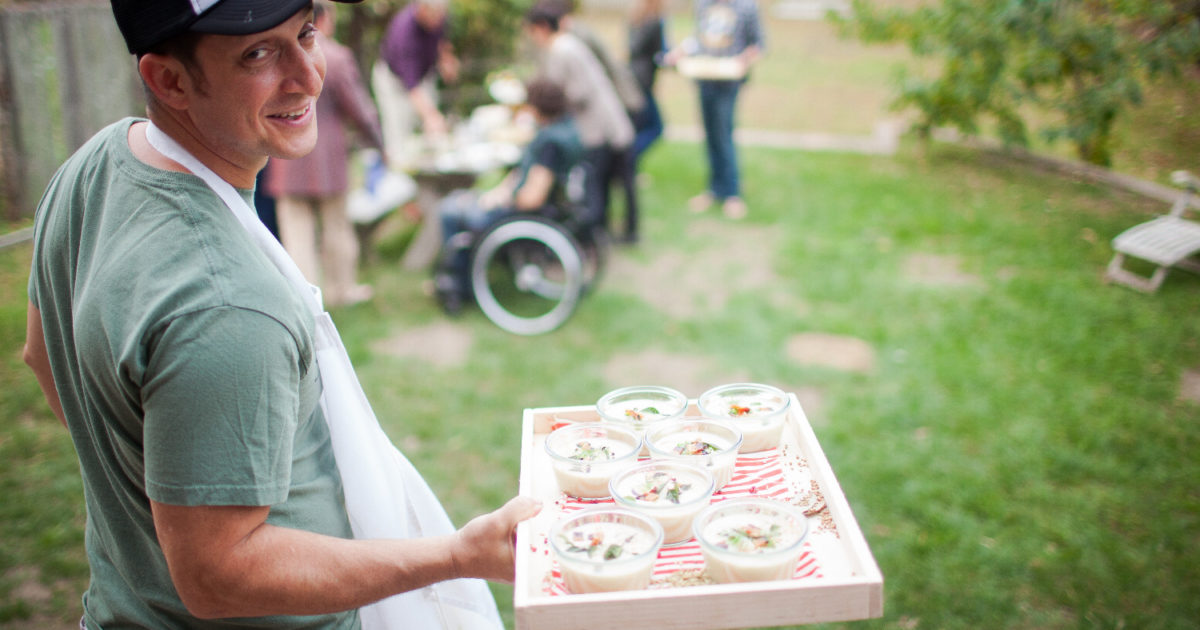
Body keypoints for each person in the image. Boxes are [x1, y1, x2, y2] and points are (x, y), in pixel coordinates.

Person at [22, 1, 540, 628]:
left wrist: (144, 485)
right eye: (257, 54)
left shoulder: (94, 166)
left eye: (305, 34)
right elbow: (219, 577)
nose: (308, 76)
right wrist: (456, 555)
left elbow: (44, 354)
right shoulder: (230, 304)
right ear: (169, 80)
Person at [433, 78, 582, 314]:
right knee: (459, 201)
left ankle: (458, 285)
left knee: (451, 209)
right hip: (540, 207)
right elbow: (524, 174)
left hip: (524, 215)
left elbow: (532, 197)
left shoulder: (549, 144)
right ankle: (460, 276)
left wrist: (501, 200)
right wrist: (501, 190)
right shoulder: (565, 129)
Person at [267, 1, 382, 308]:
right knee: (337, 227)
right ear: (325, 20)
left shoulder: (272, 53)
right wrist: (379, 143)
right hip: (327, 156)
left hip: (285, 158)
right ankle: (342, 290)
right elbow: (359, 109)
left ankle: (305, 299)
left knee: (296, 231)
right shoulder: (336, 56)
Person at [524, 4, 638, 243]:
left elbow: (571, 91)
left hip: (598, 127)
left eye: (532, 32)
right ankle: (608, 232)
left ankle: (594, 237)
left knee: (597, 182)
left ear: (542, 28)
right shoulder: (568, 45)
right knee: (613, 180)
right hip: (606, 123)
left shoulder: (561, 50)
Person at [666, 0, 764, 220]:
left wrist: (744, 59)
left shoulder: (746, 6)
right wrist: (681, 53)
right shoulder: (703, 4)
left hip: (729, 82)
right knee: (709, 133)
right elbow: (698, 40)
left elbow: (758, 44)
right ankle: (714, 188)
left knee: (723, 133)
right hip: (704, 78)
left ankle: (731, 193)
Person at [372, 0, 460, 162]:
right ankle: (399, 172)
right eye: (435, 16)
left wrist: (446, 60)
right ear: (421, 9)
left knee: (432, 130)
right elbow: (411, 84)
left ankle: (435, 165)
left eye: (441, 15)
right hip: (393, 81)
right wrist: (430, 115)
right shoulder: (404, 31)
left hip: (424, 74)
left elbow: (442, 41)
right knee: (399, 131)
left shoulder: (440, 16)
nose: (439, 20)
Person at [627, 0, 668, 163]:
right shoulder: (655, 22)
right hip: (643, 82)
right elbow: (659, 55)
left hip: (632, 78)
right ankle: (626, 162)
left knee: (637, 127)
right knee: (655, 127)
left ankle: (628, 168)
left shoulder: (635, 18)